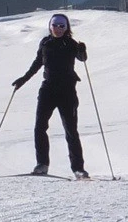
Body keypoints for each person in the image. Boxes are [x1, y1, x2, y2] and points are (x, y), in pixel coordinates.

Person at [12, 13, 88, 178]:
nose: (58, 29)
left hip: (67, 91)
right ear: (50, 26)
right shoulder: (45, 43)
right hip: (48, 90)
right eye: (55, 25)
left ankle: (78, 169)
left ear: (67, 28)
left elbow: (82, 59)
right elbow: (37, 63)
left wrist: (83, 50)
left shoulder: (72, 44)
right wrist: (23, 80)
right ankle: (42, 164)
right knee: (40, 127)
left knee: (71, 130)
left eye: (62, 26)